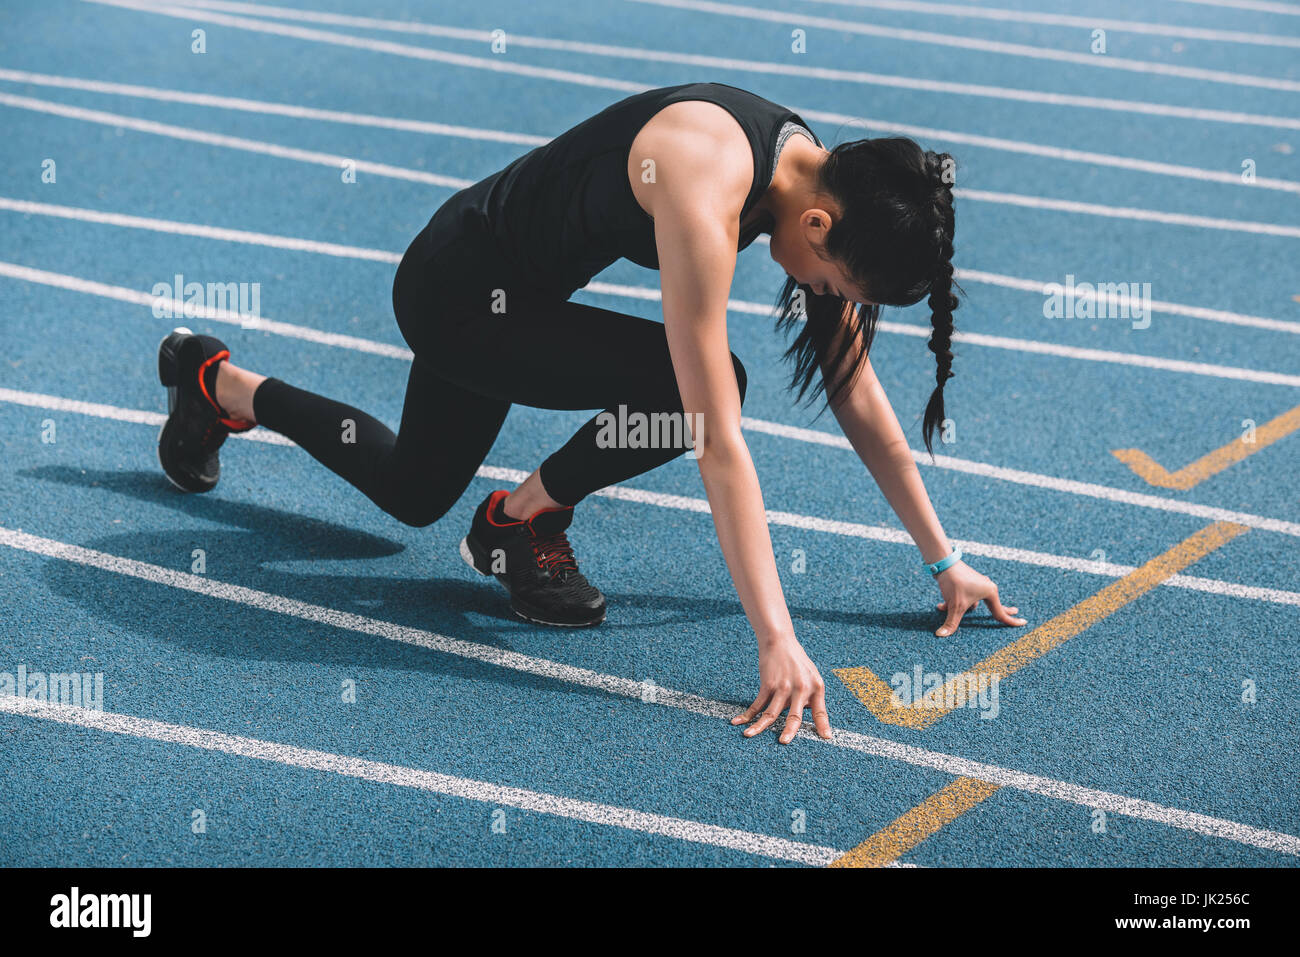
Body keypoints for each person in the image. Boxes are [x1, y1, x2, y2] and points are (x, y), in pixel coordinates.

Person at [155, 82, 1027, 745]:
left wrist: (942, 558)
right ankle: (518, 518)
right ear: (819, 221)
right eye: (833, 282)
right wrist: (777, 640)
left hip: (513, 297)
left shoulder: (825, 183)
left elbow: (854, 388)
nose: (822, 296)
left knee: (412, 490)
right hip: (458, 292)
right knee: (696, 387)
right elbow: (716, 437)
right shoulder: (704, 178)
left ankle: (215, 386)